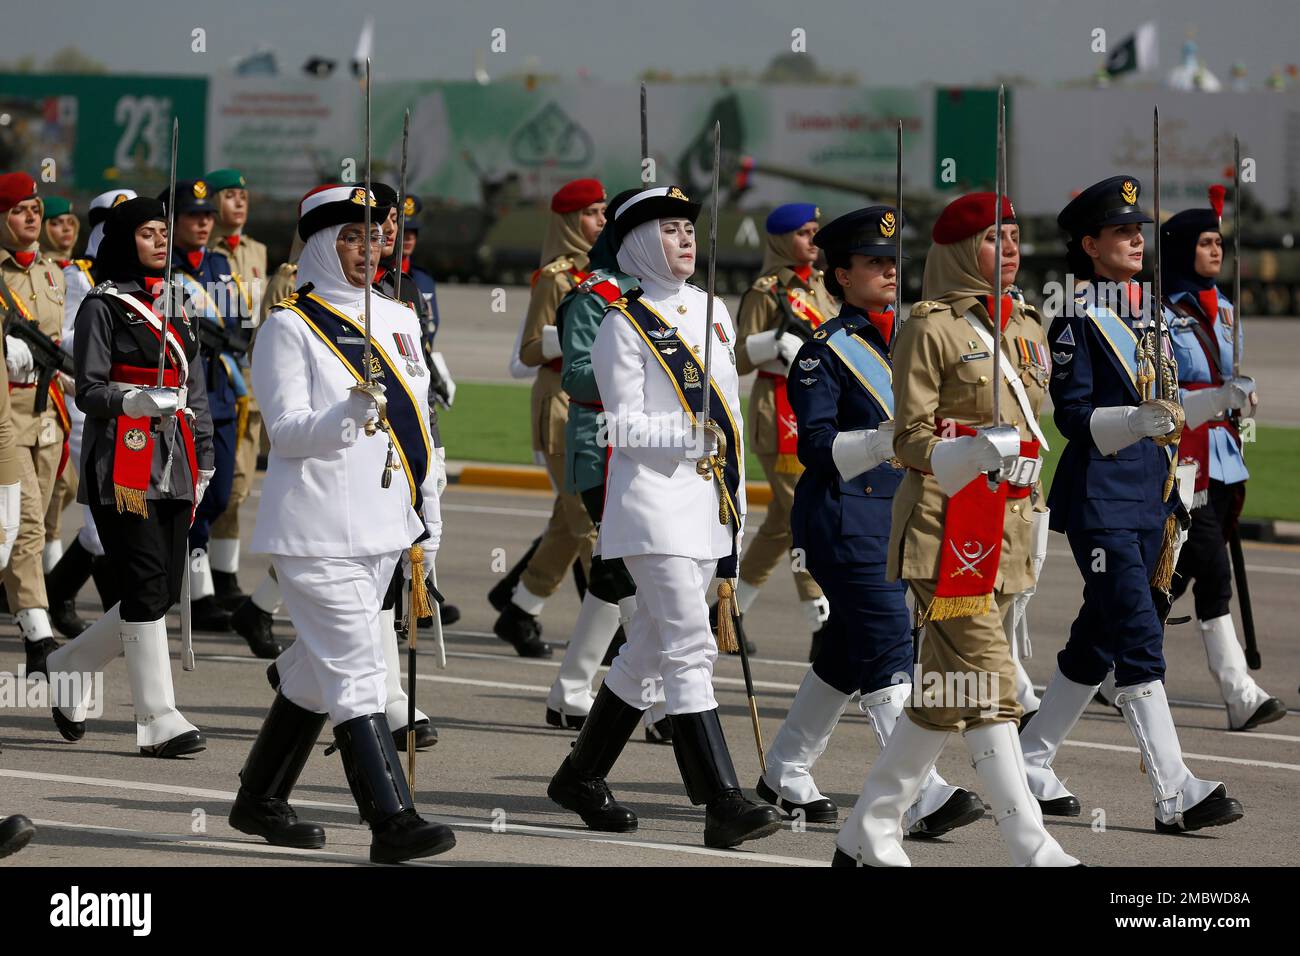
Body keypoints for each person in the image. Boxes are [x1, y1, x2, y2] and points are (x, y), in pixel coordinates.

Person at [834, 192, 1078, 867]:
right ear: (957, 251)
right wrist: (968, 451)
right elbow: (909, 437)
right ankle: (1030, 844)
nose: (1010, 250)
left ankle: (868, 831)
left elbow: (1037, 423)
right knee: (994, 682)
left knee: (946, 694)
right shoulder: (929, 328)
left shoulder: (1027, 324)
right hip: (948, 530)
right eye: (994, 238)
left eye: (1014, 237)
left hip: (1011, 528)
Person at [546, 184, 783, 848]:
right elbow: (622, 421)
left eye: (688, 229)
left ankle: (580, 777)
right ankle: (721, 801)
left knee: (647, 652)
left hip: (705, 501)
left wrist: (732, 487)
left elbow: (729, 410)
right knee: (689, 646)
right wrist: (688, 436)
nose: (685, 240)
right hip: (651, 506)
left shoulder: (712, 308)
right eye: (671, 230)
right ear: (641, 242)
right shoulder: (623, 322)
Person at [227, 183, 454, 863]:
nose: (369, 248)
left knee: (310, 673)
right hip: (317, 528)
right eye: (352, 236)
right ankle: (391, 821)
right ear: (324, 243)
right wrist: (346, 413)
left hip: (384, 523)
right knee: (355, 670)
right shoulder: (289, 325)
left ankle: (258, 800)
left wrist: (427, 511)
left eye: (374, 233)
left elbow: (417, 429)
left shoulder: (399, 319)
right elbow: (289, 432)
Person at [1021, 175, 1246, 834]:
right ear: (1089, 244)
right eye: (1122, 232)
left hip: (1153, 494)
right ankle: (1173, 791)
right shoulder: (1075, 316)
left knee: (1100, 638)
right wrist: (1141, 421)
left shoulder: (1148, 310)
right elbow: (1074, 417)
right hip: (1102, 498)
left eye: (1139, 230)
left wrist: (1220, 399)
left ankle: (1031, 756)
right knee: (1141, 640)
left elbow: (1168, 409)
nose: (1136, 240)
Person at [757, 206, 983, 839]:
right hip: (844, 518)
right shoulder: (821, 354)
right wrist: (891, 437)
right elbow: (818, 451)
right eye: (873, 262)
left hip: (903, 516)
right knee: (889, 647)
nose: (889, 270)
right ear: (840, 274)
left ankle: (785, 770)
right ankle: (918, 794)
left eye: (892, 260)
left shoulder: (913, 338)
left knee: (847, 654)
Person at [44, 196, 213, 758]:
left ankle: (69, 664)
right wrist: (133, 401)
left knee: (161, 590)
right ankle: (157, 718)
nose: (161, 241)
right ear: (123, 240)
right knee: (143, 584)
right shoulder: (102, 306)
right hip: (123, 460)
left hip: (176, 462)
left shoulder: (179, 302)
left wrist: (206, 455)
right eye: (147, 233)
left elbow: (197, 389)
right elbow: (87, 389)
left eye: (164, 232)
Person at [545, 189, 670, 742]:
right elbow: (574, 374)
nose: (673, 241)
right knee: (638, 573)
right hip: (606, 448)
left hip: (659, 447)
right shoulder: (594, 296)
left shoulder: (667, 296)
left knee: (615, 571)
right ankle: (662, 702)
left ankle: (571, 691)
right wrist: (636, 380)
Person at [1159, 189, 1284, 732]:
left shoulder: (1227, 309)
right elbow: (1163, 386)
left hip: (1226, 458)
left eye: (1219, 243)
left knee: (1175, 574)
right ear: (1184, 248)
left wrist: (1243, 395)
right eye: (1205, 243)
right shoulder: (1160, 313)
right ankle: (1239, 693)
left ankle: (1111, 664)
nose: (1216, 251)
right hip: (1186, 458)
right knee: (1212, 570)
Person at [491, 179, 606, 659]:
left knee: (568, 517)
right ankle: (612, 627)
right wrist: (572, 339)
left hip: (596, 406)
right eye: (592, 213)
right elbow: (529, 349)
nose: (601, 221)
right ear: (568, 221)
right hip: (560, 406)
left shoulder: (605, 274)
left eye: (603, 213)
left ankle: (521, 608)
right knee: (588, 522)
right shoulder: (555, 278)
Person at [730, 203, 835, 658]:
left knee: (779, 524)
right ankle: (823, 623)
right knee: (804, 517)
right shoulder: (766, 291)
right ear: (779, 240)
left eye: (816, 231)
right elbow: (733, 357)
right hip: (780, 411)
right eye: (803, 233)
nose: (813, 241)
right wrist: (773, 343)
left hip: (818, 407)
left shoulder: (822, 285)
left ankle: (728, 613)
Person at [161, 179, 262, 642]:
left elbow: (239, 323)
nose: (203, 223)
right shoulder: (164, 271)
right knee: (192, 500)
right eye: (192, 216)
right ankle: (196, 593)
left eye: (206, 216)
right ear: (173, 221)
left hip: (220, 396)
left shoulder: (220, 266)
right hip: (183, 395)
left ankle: (191, 582)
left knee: (219, 496)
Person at [44, 190, 139, 638]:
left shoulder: (144, 283)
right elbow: (60, 338)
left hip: (136, 407)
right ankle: (88, 602)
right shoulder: (77, 277)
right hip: (90, 400)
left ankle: (70, 594)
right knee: (102, 514)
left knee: (123, 508)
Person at [0, 172, 72, 678]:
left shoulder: (53, 274)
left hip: (49, 414)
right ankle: (38, 637)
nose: (31, 219)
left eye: (36, 211)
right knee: (23, 526)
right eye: (20, 210)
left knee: (43, 515)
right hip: (4, 416)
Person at [204, 168, 267, 612]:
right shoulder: (200, 255)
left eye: (243, 195)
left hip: (252, 381)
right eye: (229, 195)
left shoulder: (258, 251)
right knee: (216, 488)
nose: (239, 202)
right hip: (214, 380)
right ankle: (207, 577)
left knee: (238, 488)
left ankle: (223, 576)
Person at [36, 196, 80, 600]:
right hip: (40, 390)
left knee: (63, 484)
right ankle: (41, 584)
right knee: (45, 488)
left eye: (71, 223)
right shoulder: (34, 271)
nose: (65, 230)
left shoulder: (79, 273)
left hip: (72, 389)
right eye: (56, 223)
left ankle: (44, 582)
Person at [39, 196, 78, 263]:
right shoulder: (31, 269)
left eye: (71, 222)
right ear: (42, 230)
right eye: (55, 223)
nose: (67, 228)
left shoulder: (80, 268)